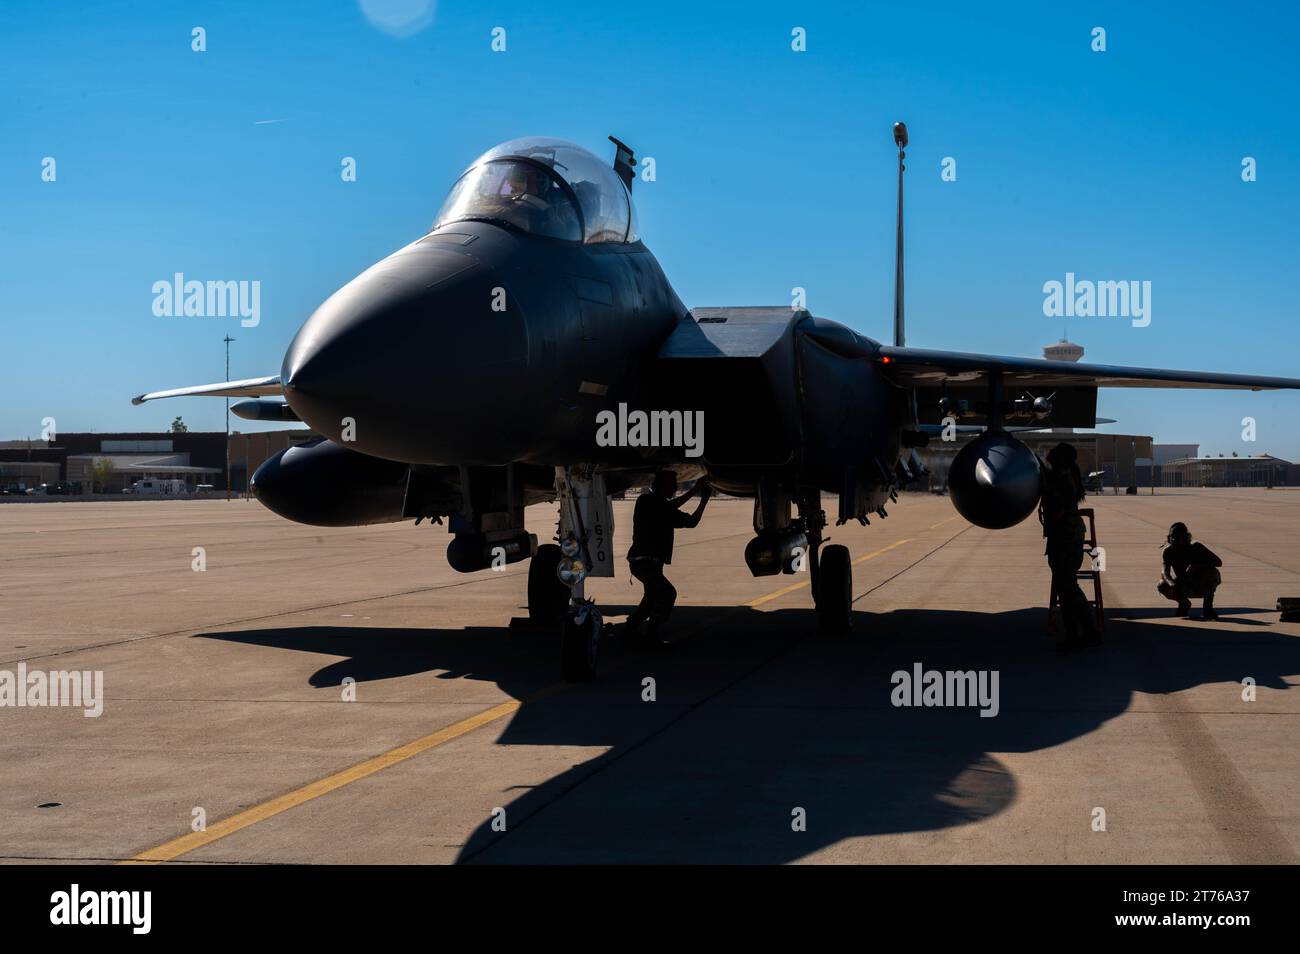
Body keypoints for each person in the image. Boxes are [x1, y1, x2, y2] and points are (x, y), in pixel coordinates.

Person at [625, 472, 711, 643]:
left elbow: (691, 522)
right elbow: (667, 507)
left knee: (651, 599)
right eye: (671, 485)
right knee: (667, 593)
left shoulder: (666, 509)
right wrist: (695, 490)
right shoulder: (646, 501)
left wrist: (704, 500)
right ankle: (650, 635)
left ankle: (631, 629)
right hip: (642, 562)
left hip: (652, 564)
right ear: (659, 486)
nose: (674, 488)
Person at [1039, 442, 1101, 650]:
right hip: (1065, 536)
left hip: (1065, 537)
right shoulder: (1063, 474)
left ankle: (1089, 632)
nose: (1051, 452)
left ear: (1062, 458)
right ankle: (1075, 635)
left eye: (1055, 452)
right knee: (1065, 589)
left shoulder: (1062, 477)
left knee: (1068, 588)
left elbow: (1059, 507)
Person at [1157, 522, 1222, 620]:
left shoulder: (1196, 547)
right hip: (1184, 582)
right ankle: (1184, 603)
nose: (1175, 539)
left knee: (1212, 572)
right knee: (1162, 586)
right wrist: (1172, 584)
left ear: (1185, 537)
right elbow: (1165, 572)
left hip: (1201, 582)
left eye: (1178, 536)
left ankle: (1208, 608)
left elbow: (1218, 562)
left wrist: (1196, 566)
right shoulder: (1168, 551)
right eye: (1173, 536)